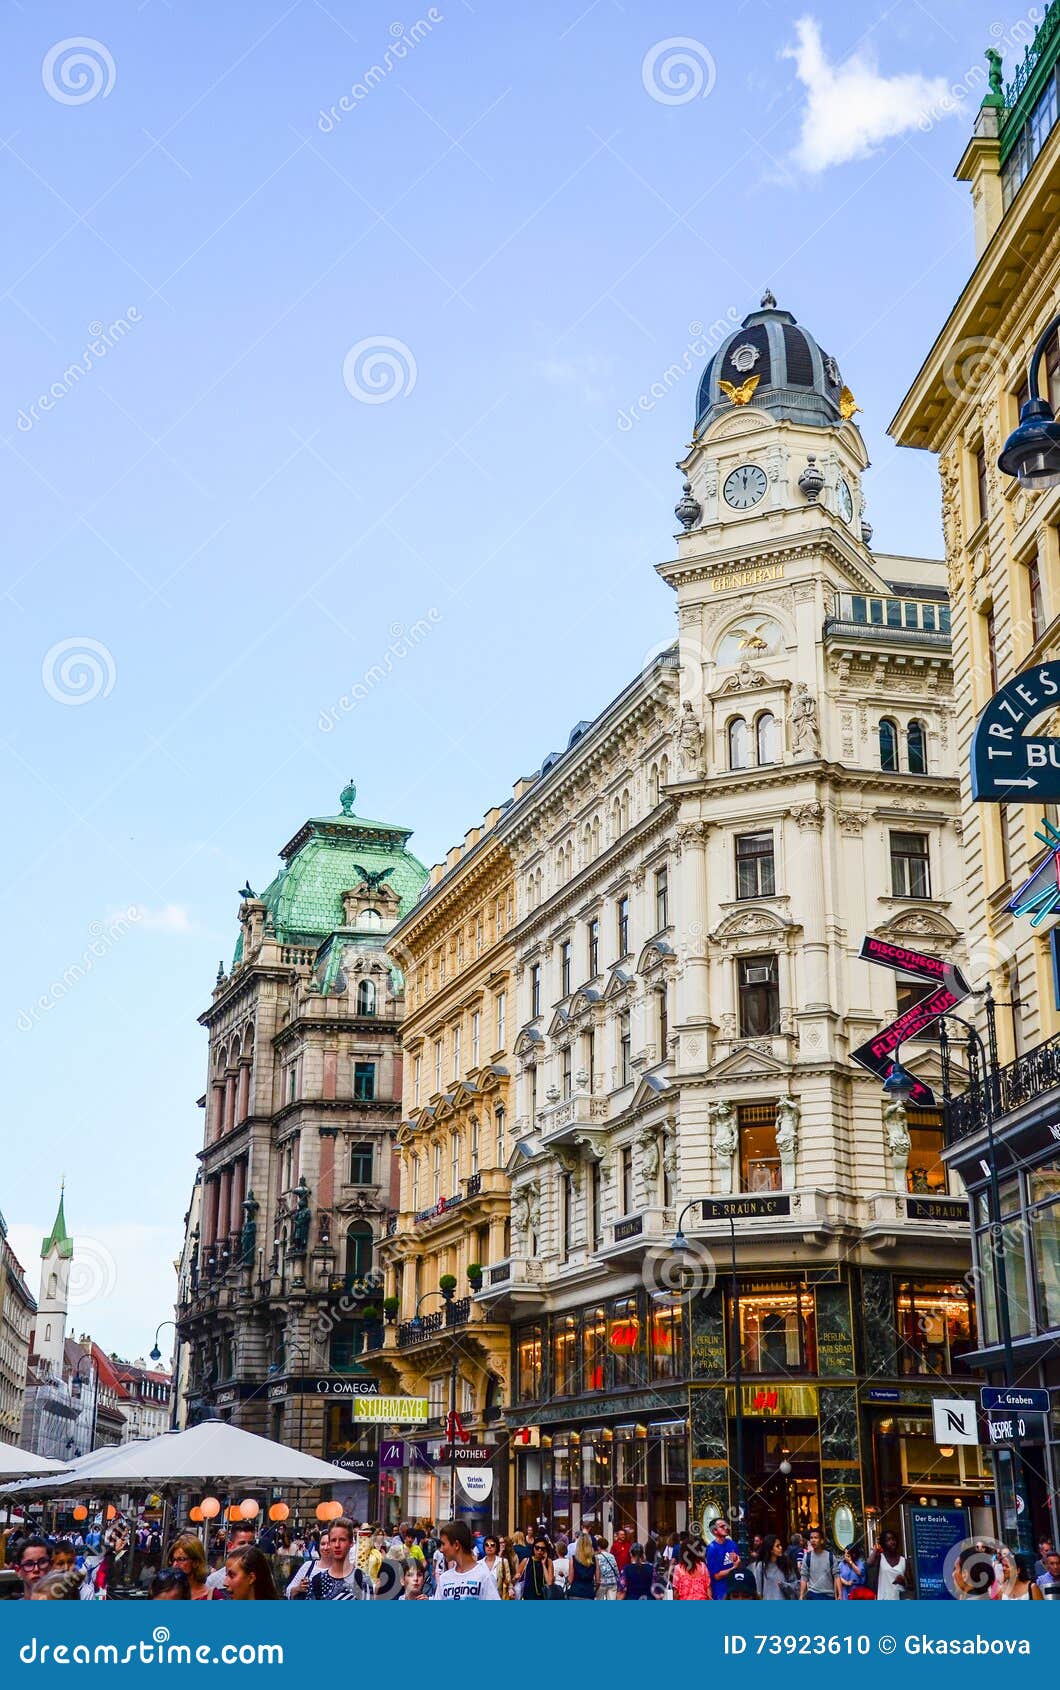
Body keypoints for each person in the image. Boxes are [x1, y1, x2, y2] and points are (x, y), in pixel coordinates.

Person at [430, 1521, 500, 1600]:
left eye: (443, 1544)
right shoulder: (444, 1579)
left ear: (456, 1545)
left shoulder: (484, 1576)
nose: (441, 1549)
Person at [308, 1519, 371, 1600]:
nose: (337, 1545)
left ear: (351, 1542)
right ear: (329, 1543)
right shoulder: (317, 1581)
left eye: (342, 1540)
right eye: (333, 1540)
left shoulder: (363, 1580)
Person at [170, 1535, 223, 1601]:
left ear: (196, 1562)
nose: (175, 1565)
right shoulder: (166, 1594)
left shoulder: (213, 1596)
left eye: (181, 1559)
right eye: (173, 1560)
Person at [206, 1524, 255, 1591]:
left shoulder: (262, 1577)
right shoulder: (213, 1581)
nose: (247, 1548)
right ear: (230, 1546)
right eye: (242, 1543)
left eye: (251, 1544)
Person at [866, 1529, 908, 1600]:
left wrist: (904, 1581)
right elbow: (868, 1564)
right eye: (888, 1540)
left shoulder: (904, 1561)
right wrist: (875, 1549)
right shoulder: (879, 1558)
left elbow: (912, 1586)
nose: (892, 1542)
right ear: (883, 1543)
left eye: (893, 1539)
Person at [799, 1528, 839, 1600]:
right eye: (811, 1538)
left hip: (828, 1595)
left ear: (822, 1540)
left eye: (816, 1538)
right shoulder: (807, 1557)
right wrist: (801, 1595)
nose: (813, 1540)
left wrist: (840, 1595)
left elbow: (837, 1576)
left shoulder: (830, 1557)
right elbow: (804, 1577)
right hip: (812, 1595)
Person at [705, 1519, 740, 1600]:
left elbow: (739, 1565)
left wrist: (737, 1561)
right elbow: (716, 1576)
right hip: (720, 1592)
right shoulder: (711, 1549)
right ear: (715, 1531)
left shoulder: (732, 1544)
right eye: (722, 1526)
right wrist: (734, 1567)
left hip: (734, 1588)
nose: (726, 1527)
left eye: (726, 1525)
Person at [754, 1535, 797, 1600]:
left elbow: (795, 1584)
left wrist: (785, 1585)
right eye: (777, 1546)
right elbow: (758, 1590)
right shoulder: (761, 1566)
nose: (781, 1548)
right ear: (770, 1549)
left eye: (780, 1545)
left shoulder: (786, 1564)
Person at [567, 1532, 599, 1601]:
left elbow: (570, 1580)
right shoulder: (595, 1559)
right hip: (589, 1592)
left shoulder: (573, 1559)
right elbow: (598, 1581)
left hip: (575, 1592)